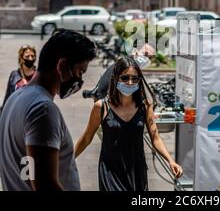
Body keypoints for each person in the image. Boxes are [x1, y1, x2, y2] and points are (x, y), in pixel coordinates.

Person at [0, 29, 96, 191]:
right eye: (80, 71)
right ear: (62, 65)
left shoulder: (15, 99)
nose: (79, 80)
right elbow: (46, 184)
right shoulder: (42, 109)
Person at [75, 56, 183, 191]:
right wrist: (67, 159)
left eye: (135, 78)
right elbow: (86, 138)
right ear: (115, 78)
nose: (130, 82)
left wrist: (170, 160)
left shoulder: (144, 106)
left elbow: (155, 138)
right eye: (125, 78)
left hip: (136, 170)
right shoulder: (101, 107)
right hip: (111, 171)